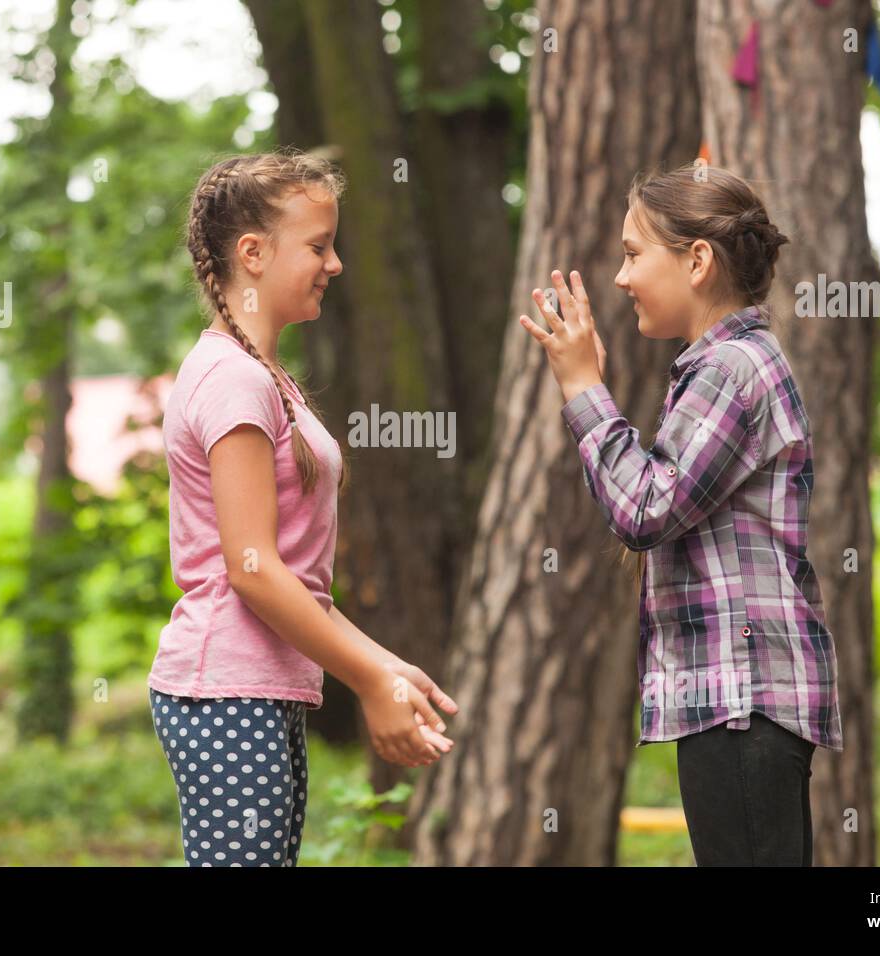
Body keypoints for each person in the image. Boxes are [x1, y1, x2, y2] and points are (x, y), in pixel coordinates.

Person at [519, 162, 843, 866]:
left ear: (697, 261)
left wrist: (582, 387)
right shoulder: (726, 364)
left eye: (634, 253)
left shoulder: (730, 368)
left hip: (743, 699)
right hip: (737, 700)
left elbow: (643, 510)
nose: (620, 277)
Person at [149, 150, 458, 867]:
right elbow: (252, 571)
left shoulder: (261, 376)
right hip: (226, 689)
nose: (336, 263)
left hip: (257, 686)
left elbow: (293, 578)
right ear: (252, 254)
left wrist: (387, 667)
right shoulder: (233, 381)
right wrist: (369, 678)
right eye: (318, 246)